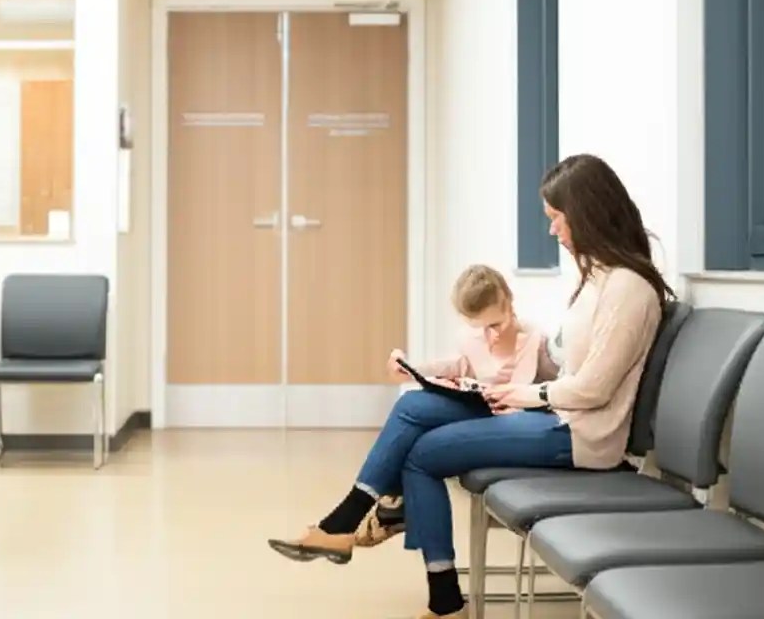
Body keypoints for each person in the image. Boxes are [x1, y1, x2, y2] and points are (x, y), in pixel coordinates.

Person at [269, 154, 671, 619]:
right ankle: (360, 527)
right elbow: (569, 364)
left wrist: (525, 395)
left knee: (422, 454)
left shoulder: (628, 288)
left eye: (557, 217)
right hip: (555, 414)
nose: (552, 230)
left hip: (580, 435)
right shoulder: (598, 279)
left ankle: (403, 562)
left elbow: (595, 389)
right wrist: (466, 380)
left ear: (587, 213)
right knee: (416, 405)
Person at [267, 263, 556, 562]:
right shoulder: (473, 338)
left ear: (509, 301)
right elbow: (464, 365)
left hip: (509, 424)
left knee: (412, 409)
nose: (490, 335)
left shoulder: (534, 339)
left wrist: (503, 382)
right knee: (415, 422)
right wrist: (414, 370)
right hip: (481, 411)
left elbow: (530, 396)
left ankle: (365, 516)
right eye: (481, 328)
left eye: (495, 325)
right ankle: (385, 521)